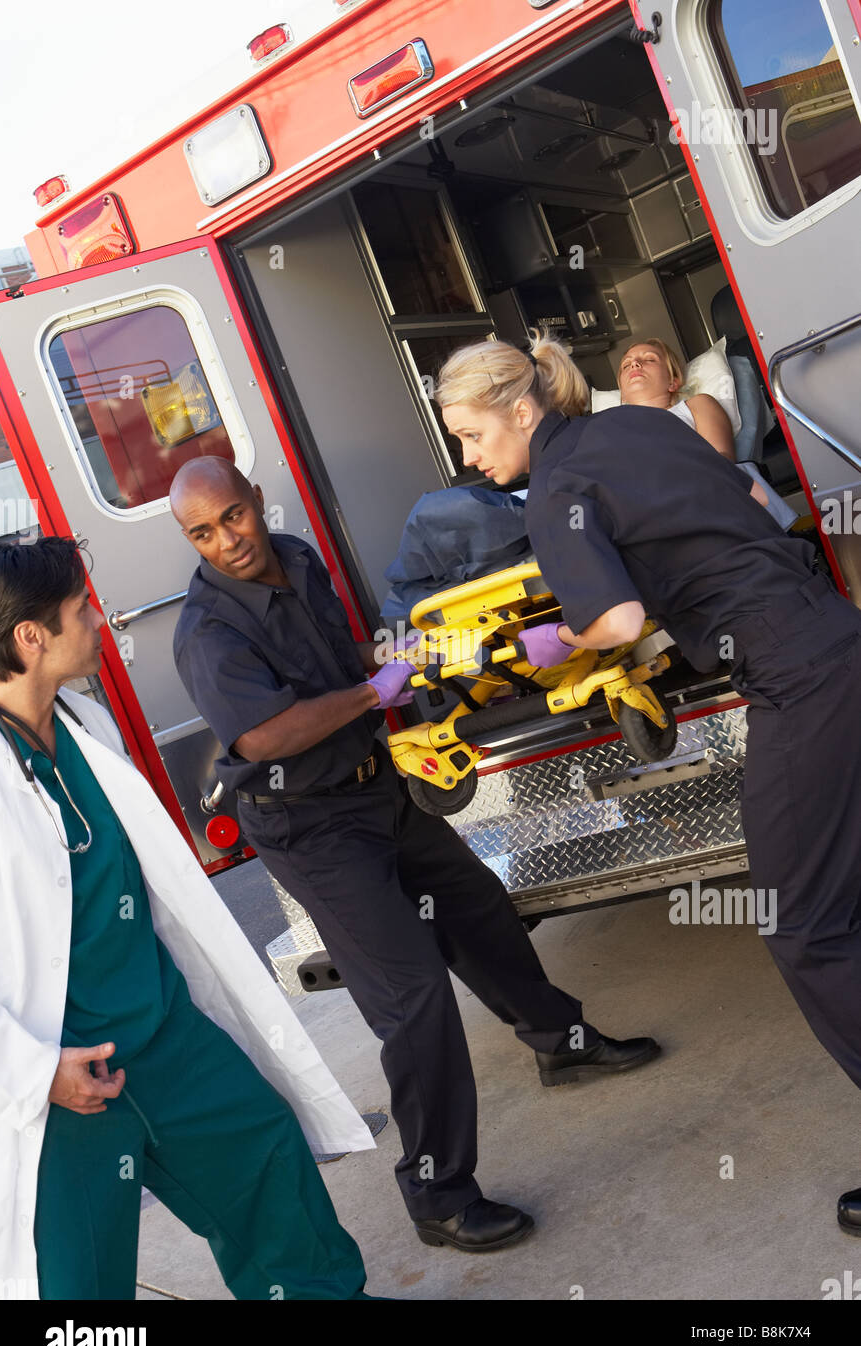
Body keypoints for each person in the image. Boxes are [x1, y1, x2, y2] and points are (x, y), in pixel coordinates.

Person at [168, 456, 662, 1255]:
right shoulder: (209, 631)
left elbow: (354, 654)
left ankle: (560, 1044)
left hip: (376, 789)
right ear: (189, 540)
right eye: (203, 533)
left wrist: (437, 652)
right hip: (309, 826)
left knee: (481, 914)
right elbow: (260, 737)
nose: (227, 541)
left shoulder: (295, 559)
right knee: (414, 997)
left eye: (234, 516)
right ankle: (438, 1194)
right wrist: (374, 694)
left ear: (256, 501)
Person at [437, 331, 861, 1236]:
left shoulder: (554, 491)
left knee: (804, 926)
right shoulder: (642, 423)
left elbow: (620, 615)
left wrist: (562, 640)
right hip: (837, 634)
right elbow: (756, 495)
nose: (471, 459)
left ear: (522, 410)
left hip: (797, 686)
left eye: (473, 435)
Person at [0, 536, 379, 1301]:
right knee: (75, 1283)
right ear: (29, 638)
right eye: (81, 610)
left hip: (164, 1034)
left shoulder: (81, 723)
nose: (100, 620)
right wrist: (33, 1073)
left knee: (263, 1157)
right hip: (59, 1076)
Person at [617, 338, 798, 531]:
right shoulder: (612, 434)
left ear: (673, 382)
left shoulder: (696, 406)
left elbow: (720, 461)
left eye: (649, 359)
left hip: (705, 502)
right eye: (626, 364)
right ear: (622, 395)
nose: (635, 364)